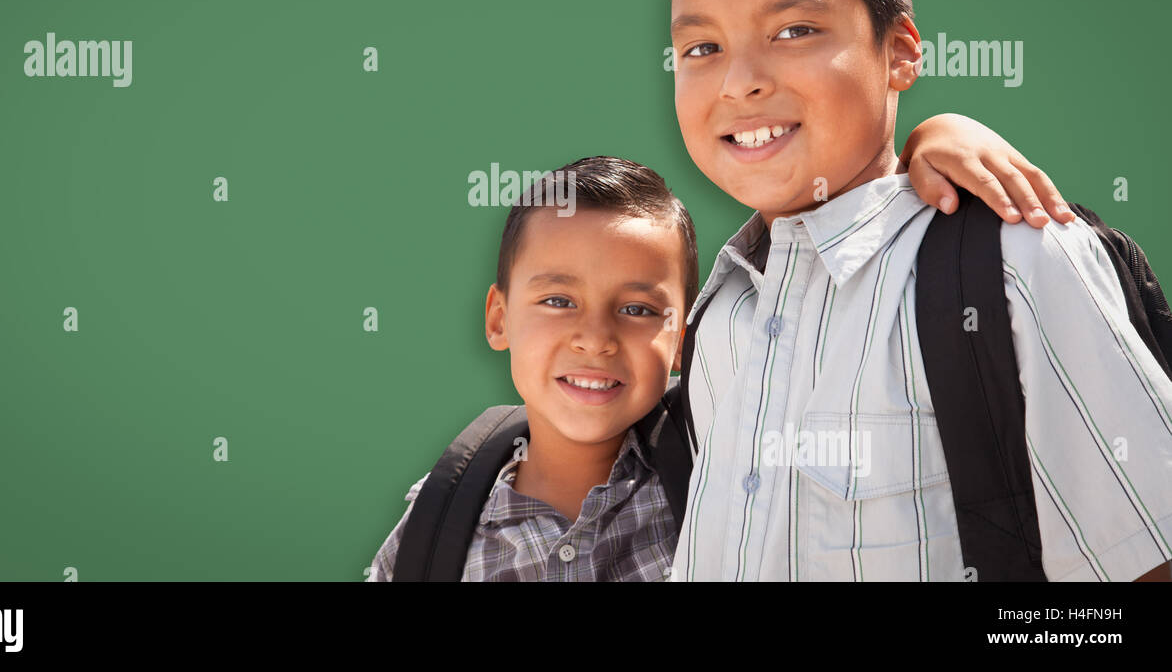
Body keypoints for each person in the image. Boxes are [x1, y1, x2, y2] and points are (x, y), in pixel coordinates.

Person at [666, 0, 1172, 581]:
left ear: (899, 52)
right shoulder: (719, 321)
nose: (740, 79)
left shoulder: (1015, 263)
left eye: (795, 29)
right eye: (701, 47)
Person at [367, 130, 1075, 580]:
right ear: (498, 318)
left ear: (683, 340)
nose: (596, 337)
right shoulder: (440, 520)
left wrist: (932, 136)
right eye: (557, 301)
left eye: (639, 309)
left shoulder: (723, 478)